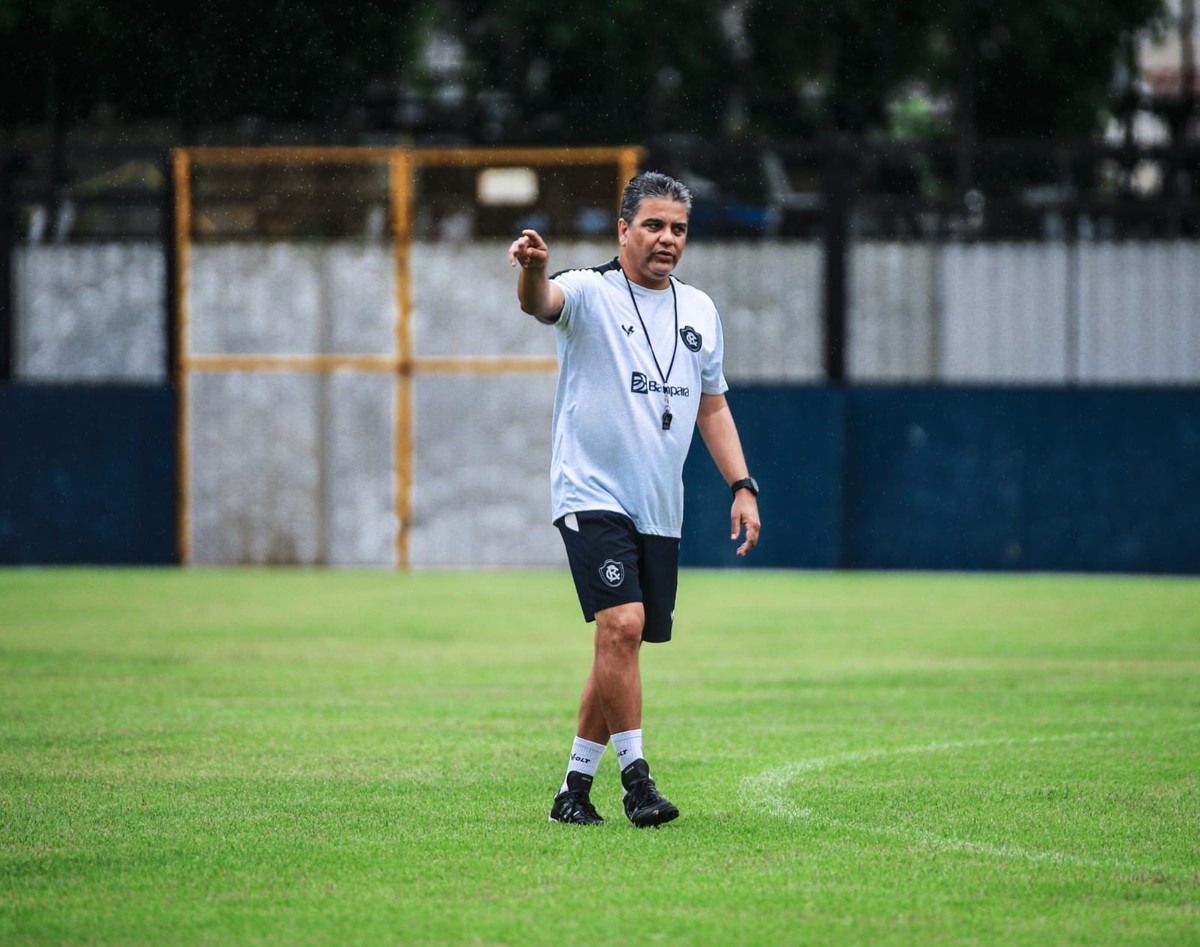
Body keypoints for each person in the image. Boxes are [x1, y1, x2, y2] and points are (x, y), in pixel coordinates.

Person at [507, 171, 761, 827]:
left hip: (659, 506)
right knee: (621, 624)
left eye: (678, 228)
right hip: (590, 490)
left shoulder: (699, 310)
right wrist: (532, 270)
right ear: (623, 230)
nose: (667, 238)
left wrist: (742, 485)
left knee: (621, 643)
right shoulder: (590, 292)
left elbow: (712, 407)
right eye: (653, 225)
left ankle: (572, 791)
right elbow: (541, 302)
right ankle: (637, 782)